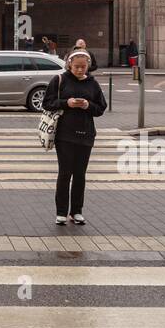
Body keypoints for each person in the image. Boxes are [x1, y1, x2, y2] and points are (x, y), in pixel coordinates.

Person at [42, 49, 107, 225]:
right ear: (70, 64)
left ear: (88, 66)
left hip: (86, 134)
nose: (80, 70)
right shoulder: (59, 80)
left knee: (80, 175)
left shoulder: (92, 84)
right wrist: (66, 103)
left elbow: (101, 108)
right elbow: (47, 103)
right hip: (64, 135)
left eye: (83, 67)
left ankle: (76, 211)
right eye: (77, 67)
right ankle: (61, 212)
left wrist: (87, 105)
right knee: (65, 173)